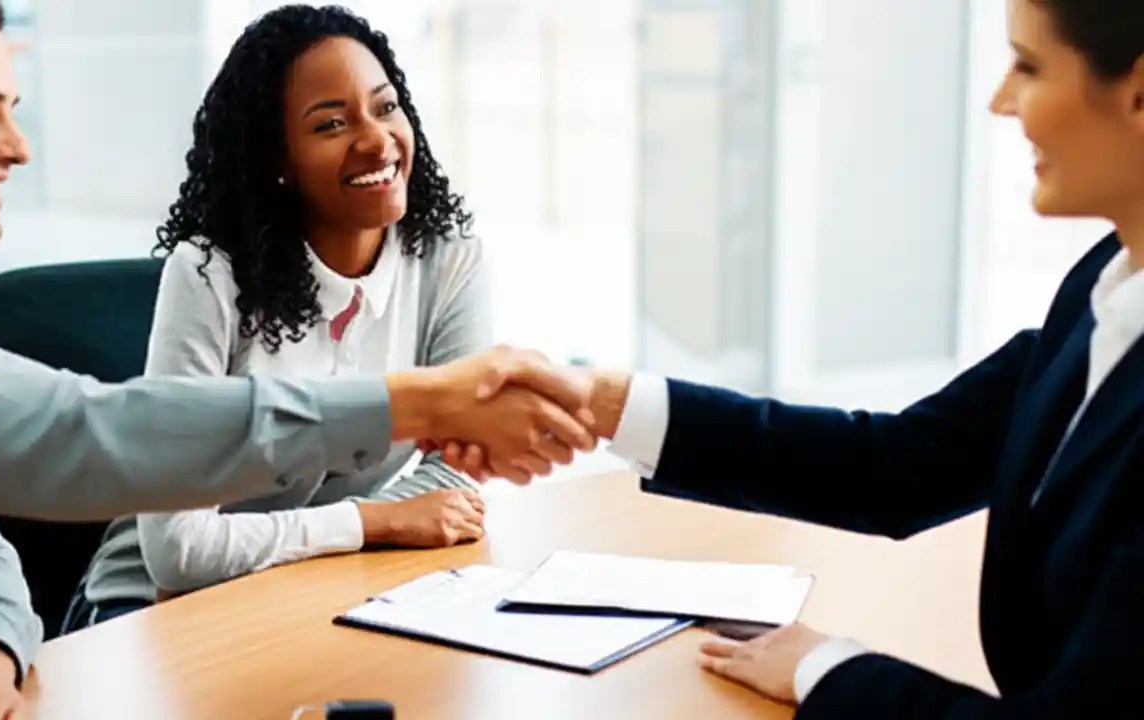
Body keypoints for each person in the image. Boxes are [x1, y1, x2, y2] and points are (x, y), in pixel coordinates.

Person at [0, 0, 592, 712]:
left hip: (305, 594)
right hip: (164, 620)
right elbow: (94, 437)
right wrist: (414, 412)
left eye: (12, 108)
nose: (20, 146)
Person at [459, 0, 1144, 716]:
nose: (1002, 102)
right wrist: (604, 405)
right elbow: (894, 464)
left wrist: (829, 668)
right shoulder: (1103, 286)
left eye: (1028, 66)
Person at [64, 5, 504, 632]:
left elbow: (458, 473)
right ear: (278, 158)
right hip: (146, 612)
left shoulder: (448, 261)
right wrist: (373, 523)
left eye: (385, 108)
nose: (376, 139)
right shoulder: (209, 277)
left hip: (315, 590)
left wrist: (354, 537)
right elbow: (177, 550)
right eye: (331, 124)